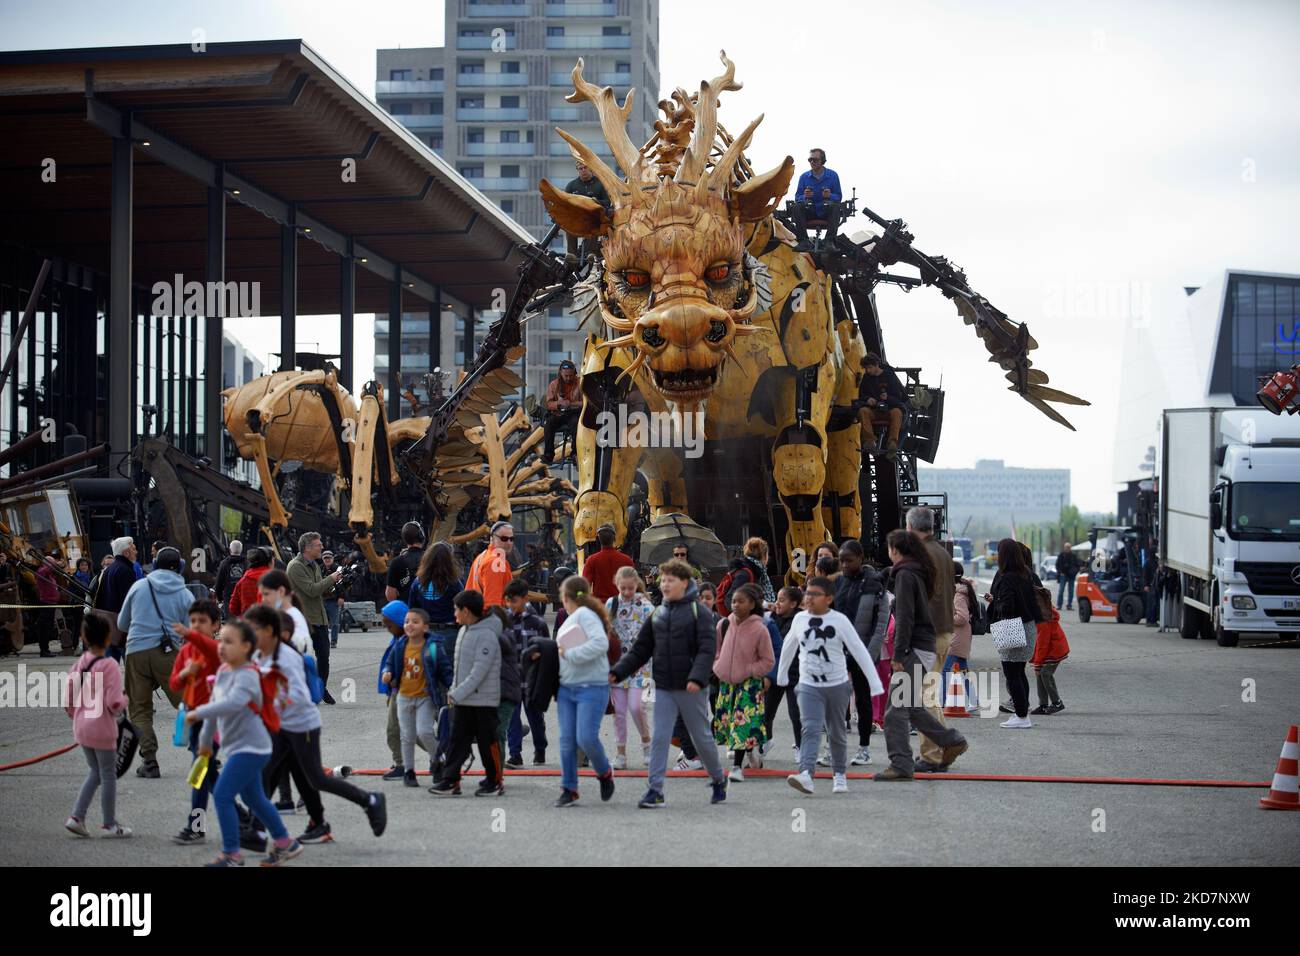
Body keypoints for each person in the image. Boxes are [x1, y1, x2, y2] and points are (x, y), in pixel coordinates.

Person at [244, 603, 387, 843]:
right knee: (269, 774)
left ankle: (370, 800)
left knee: (315, 778)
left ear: (269, 631)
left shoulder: (284, 657)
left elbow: (285, 697)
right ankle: (261, 829)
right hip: (282, 726)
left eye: (253, 630)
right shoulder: (262, 654)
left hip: (301, 726)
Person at [612, 559, 728, 808]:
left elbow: (707, 650)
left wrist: (697, 678)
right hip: (664, 687)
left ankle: (718, 778)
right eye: (663, 580)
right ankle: (655, 790)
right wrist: (617, 672)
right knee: (661, 737)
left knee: (702, 739)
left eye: (670, 580)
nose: (664, 584)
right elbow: (640, 651)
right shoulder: (658, 614)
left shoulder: (700, 613)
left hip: (691, 688)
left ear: (684, 583)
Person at [187, 618, 301, 867]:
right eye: (221, 640)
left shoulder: (249, 675)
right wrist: (205, 745)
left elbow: (233, 703)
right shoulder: (223, 671)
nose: (221, 646)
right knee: (254, 799)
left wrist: (199, 712)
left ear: (247, 647)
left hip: (251, 748)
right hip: (239, 748)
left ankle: (231, 854)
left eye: (229, 641)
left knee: (222, 795)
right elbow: (216, 712)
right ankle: (285, 842)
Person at [874, 532, 970, 781]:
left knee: (895, 711)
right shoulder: (917, 570)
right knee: (912, 707)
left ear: (895, 550)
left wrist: (897, 653)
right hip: (923, 647)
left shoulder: (905, 574)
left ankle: (901, 764)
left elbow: (905, 617)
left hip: (914, 649)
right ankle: (952, 741)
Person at [777, 576, 881, 794]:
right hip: (808, 684)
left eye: (815, 594)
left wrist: (874, 683)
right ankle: (806, 773)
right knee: (810, 728)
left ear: (829, 598)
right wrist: (781, 676)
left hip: (837, 684)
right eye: (807, 593)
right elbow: (788, 647)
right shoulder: (799, 620)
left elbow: (858, 650)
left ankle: (840, 774)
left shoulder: (839, 620)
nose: (809, 598)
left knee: (836, 731)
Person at [117, 546, 191, 778]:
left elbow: (122, 624)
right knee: (187, 702)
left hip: (136, 651)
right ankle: (203, 752)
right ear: (179, 567)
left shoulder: (139, 586)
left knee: (139, 709)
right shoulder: (185, 593)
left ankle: (149, 761)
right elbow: (190, 629)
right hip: (168, 654)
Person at [429, 589, 504, 797]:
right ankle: (451, 780)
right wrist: (455, 690)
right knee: (457, 740)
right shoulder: (465, 629)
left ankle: (494, 781)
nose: (454, 614)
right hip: (464, 699)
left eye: (456, 610)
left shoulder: (487, 635)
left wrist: (457, 693)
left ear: (467, 611)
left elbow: (480, 671)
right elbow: (460, 666)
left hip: (483, 701)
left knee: (487, 743)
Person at [550, 575, 616, 808]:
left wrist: (569, 654)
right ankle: (569, 788)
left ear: (565, 597)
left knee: (586, 737)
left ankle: (605, 772)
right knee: (567, 740)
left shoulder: (585, 615)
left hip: (592, 685)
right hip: (568, 686)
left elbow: (600, 644)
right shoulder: (572, 617)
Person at [64, 614, 131, 839]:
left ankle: (77, 817)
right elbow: (114, 703)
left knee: (96, 771)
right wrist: (125, 700)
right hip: (102, 730)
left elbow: (68, 700)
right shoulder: (109, 665)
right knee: (108, 774)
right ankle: (109, 824)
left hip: (82, 727)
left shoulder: (80, 662)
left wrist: (78, 715)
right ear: (108, 638)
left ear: (83, 636)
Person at [906, 507, 958, 772]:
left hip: (927, 634)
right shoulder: (943, 553)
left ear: (910, 527)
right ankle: (943, 745)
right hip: (944, 631)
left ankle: (936, 752)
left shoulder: (919, 556)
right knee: (928, 692)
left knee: (922, 696)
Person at [167, 599, 223, 845]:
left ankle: (195, 827)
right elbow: (173, 684)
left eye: (203, 621)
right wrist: (184, 673)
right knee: (209, 777)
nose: (197, 626)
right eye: (193, 621)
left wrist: (189, 633)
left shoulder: (217, 649)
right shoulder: (186, 652)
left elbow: (209, 647)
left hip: (212, 722)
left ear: (216, 625)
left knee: (200, 776)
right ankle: (243, 817)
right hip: (193, 720)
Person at [834, 540, 890, 767]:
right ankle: (834, 749)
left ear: (861, 557)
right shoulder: (838, 582)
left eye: (849, 560)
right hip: (838, 650)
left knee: (863, 701)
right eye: (841, 561)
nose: (845, 565)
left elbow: (881, 624)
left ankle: (864, 748)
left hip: (864, 650)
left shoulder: (875, 585)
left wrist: (868, 654)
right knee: (835, 701)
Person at [382, 607, 453, 787]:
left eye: (415, 621)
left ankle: (439, 760)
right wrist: (387, 673)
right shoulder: (400, 645)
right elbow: (389, 664)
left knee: (425, 732)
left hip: (425, 698)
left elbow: (446, 672)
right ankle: (409, 771)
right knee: (407, 736)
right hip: (404, 696)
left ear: (426, 627)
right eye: (407, 621)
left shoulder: (434, 647)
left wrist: (453, 689)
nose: (410, 625)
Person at [712, 583, 775, 782]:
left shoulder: (760, 629)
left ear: (751, 604)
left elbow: (768, 660)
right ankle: (750, 754)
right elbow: (717, 649)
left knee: (742, 723)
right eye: (733, 601)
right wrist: (718, 666)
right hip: (727, 683)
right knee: (729, 722)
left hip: (749, 684)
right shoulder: (724, 624)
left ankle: (737, 767)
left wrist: (750, 671)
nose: (736, 605)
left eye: (741, 601)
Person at [986, 538, 1041, 728]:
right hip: (1029, 627)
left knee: (1012, 674)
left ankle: (1021, 716)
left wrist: (996, 602)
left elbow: (1008, 605)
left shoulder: (1007, 576)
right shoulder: (1026, 573)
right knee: (1019, 672)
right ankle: (1022, 712)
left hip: (1012, 628)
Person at [286, 532, 343, 705]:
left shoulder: (314, 565)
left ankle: (320, 688)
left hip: (319, 618)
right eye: (319, 545)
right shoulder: (295, 566)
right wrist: (331, 578)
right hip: (304, 620)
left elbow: (321, 592)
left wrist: (338, 583)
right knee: (301, 657)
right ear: (308, 547)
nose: (322, 547)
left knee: (324, 656)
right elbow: (311, 590)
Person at [606, 566, 654, 770]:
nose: (626, 592)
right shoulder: (612, 603)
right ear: (617, 585)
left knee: (636, 706)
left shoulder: (645, 605)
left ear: (637, 585)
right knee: (619, 711)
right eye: (623, 588)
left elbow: (654, 631)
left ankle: (647, 744)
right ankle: (620, 753)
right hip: (618, 663)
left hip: (640, 663)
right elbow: (604, 626)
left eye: (630, 588)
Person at [501, 578, 549, 767]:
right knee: (512, 718)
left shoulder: (537, 622)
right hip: (511, 679)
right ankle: (515, 754)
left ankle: (540, 748)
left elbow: (547, 648)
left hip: (531, 680)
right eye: (508, 601)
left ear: (524, 598)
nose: (510, 605)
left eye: (514, 601)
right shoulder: (503, 621)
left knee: (535, 717)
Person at [376, 599, 416, 780]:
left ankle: (439, 754)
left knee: (405, 731)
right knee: (398, 731)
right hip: (394, 692)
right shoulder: (397, 640)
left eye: (389, 624)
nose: (386, 628)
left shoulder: (408, 643)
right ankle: (401, 763)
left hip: (404, 693)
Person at [763, 586, 804, 756]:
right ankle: (766, 740)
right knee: (766, 712)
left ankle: (800, 747)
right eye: (777, 599)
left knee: (796, 714)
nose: (777, 604)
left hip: (795, 673)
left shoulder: (801, 619)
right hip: (774, 673)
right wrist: (770, 606)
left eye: (782, 600)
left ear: (794, 603)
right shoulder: (771, 618)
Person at [92, 535, 139, 659]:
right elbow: (128, 601)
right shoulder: (125, 570)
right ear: (126, 553)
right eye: (134, 549)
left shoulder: (109, 569)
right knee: (130, 664)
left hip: (108, 624)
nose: (136, 552)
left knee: (110, 665)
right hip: (122, 627)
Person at [946, 561, 980, 716]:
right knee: (963, 670)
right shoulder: (963, 590)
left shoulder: (958, 594)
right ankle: (974, 701)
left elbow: (961, 617)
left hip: (957, 637)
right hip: (962, 635)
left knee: (945, 670)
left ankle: (940, 702)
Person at [858, 353, 907, 456]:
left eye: (870, 367)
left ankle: (893, 444)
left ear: (876, 365)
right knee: (863, 411)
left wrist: (888, 398)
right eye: (866, 368)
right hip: (874, 410)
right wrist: (868, 399)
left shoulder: (889, 375)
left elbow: (899, 398)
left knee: (897, 412)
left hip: (890, 409)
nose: (868, 370)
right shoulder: (866, 378)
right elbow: (862, 395)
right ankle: (870, 441)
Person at [563, 158, 612, 256]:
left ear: (590, 169)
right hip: (577, 218)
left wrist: (596, 201)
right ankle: (571, 254)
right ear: (578, 171)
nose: (583, 170)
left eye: (585, 168)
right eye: (580, 168)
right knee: (569, 225)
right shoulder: (572, 185)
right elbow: (564, 203)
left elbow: (608, 202)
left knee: (593, 224)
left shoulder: (600, 184)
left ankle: (591, 253)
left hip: (594, 217)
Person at [256, 570, 311, 653]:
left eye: (266, 594)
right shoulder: (283, 615)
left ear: (281, 591)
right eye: (262, 595)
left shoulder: (293, 618)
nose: (263, 599)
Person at [465, 521, 515, 610]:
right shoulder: (496, 563)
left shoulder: (482, 556)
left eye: (511, 539)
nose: (509, 543)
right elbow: (492, 604)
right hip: (491, 619)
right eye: (504, 538)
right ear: (492, 538)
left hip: (477, 618)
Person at [1031, 605, 1070, 715]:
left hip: (1054, 651)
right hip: (1049, 649)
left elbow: (1042, 644)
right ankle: (1043, 705)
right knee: (1040, 674)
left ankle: (1057, 702)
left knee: (1045, 673)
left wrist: (1037, 663)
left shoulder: (1043, 620)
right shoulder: (1042, 613)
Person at [541, 359, 582, 465]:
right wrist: (558, 404)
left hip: (574, 413)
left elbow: (585, 403)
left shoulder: (580, 383)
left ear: (574, 374)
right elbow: (548, 404)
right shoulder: (554, 385)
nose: (568, 378)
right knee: (549, 424)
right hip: (559, 413)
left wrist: (570, 403)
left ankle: (575, 453)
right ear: (560, 374)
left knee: (576, 424)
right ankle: (548, 455)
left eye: (570, 376)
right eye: (566, 376)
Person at [581, 524, 634, 602]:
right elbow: (634, 585)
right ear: (614, 538)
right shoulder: (627, 560)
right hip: (621, 606)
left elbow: (584, 586)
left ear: (598, 539)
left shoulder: (591, 560)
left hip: (600, 607)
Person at [719, 537, 770, 614]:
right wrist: (740, 618)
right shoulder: (746, 574)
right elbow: (730, 599)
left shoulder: (756, 571)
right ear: (764, 555)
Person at [792, 148, 842, 219]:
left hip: (827, 212)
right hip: (809, 211)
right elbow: (797, 197)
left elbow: (839, 197)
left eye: (815, 160)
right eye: (810, 160)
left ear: (822, 161)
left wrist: (829, 195)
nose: (812, 162)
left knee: (835, 207)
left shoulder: (833, 175)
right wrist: (805, 196)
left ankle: (832, 231)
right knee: (797, 207)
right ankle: (801, 231)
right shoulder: (803, 177)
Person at [385, 522, 425, 603]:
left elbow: (390, 596)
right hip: (427, 611)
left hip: (406, 611)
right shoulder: (431, 559)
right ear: (422, 536)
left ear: (405, 539)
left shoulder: (396, 562)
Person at [227, 547, 272, 617]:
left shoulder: (242, 582)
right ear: (269, 561)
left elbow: (233, 608)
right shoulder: (275, 579)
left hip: (247, 624)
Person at [35, 551, 62, 657]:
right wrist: (55, 564)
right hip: (46, 603)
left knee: (48, 627)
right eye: (52, 562)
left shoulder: (50, 575)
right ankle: (44, 650)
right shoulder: (42, 571)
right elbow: (49, 569)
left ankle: (46, 649)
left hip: (52, 604)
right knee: (44, 627)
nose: (54, 564)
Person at [214, 541, 246, 615]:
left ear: (230, 550)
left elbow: (219, 581)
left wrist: (219, 597)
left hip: (229, 597)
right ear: (241, 550)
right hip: (243, 597)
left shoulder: (224, 563)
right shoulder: (247, 563)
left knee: (231, 622)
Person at [321, 551, 343, 648]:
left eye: (329, 558)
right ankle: (324, 641)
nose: (327, 560)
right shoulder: (319, 569)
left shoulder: (338, 569)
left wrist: (342, 597)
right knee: (321, 623)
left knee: (334, 623)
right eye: (325, 558)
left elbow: (343, 584)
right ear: (323, 559)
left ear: (333, 559)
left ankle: (333, 641)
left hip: (334, 600)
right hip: (321, 600)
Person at [1054, 541, 1080, 611]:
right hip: (1063, 575)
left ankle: (1069, 605)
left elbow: (1078, 565)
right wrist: (1060, 572)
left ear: (1070, 548)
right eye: (1066, 547)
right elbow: (1057, 565)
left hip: (1071, 576)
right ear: (1064, 548)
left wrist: (1074, 572)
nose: (1067, 548)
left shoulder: (1073, 556)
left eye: (1068, 547)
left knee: (1071, 591)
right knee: (1061, 590)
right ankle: (1059, 605)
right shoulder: (1061, 555)